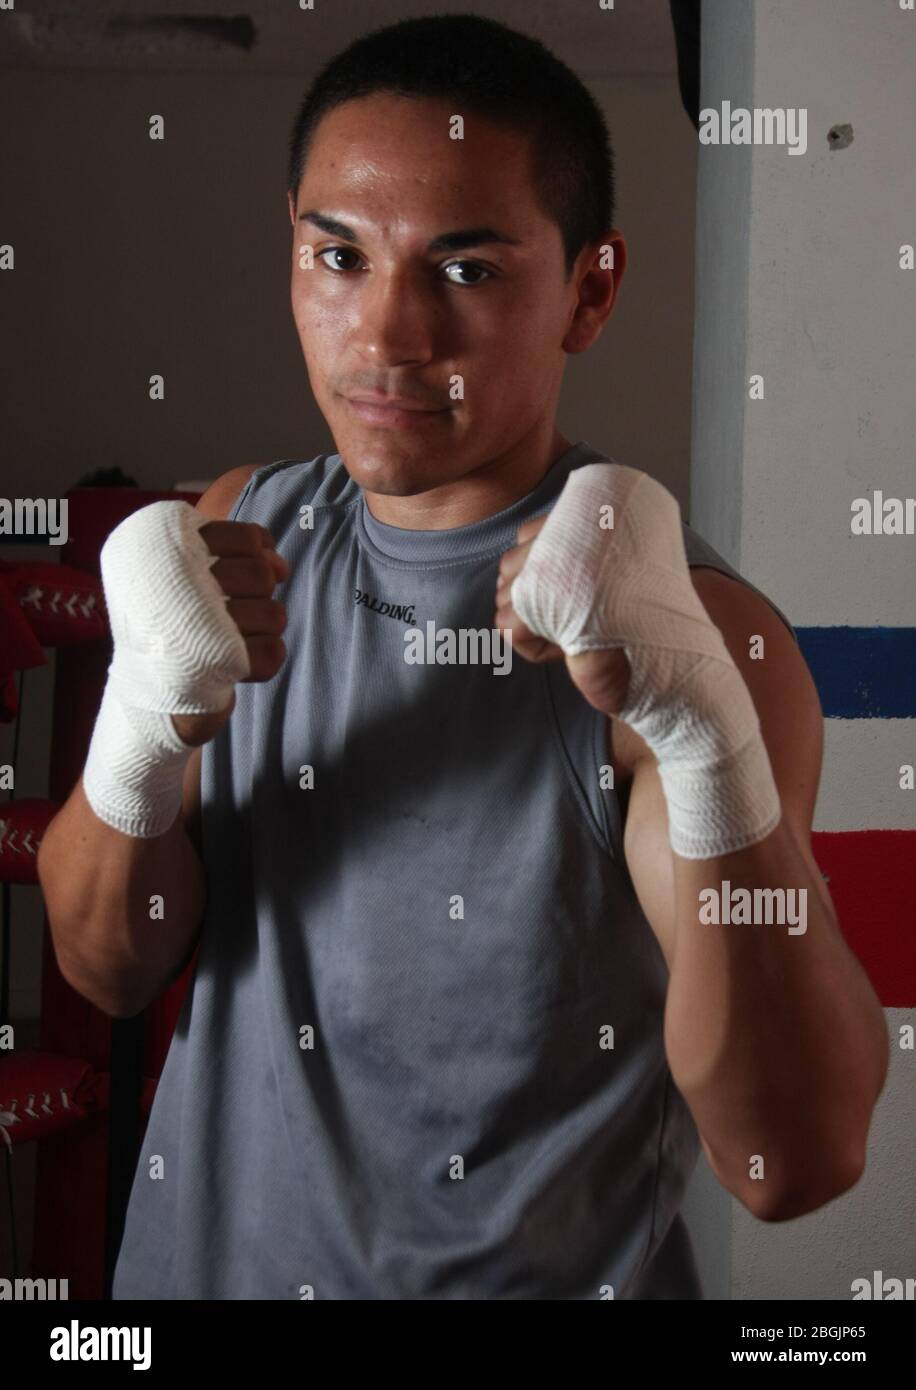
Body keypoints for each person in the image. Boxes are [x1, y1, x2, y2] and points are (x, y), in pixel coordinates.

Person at [38, 14, 888, 1300]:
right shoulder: (239, 537)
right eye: (338, 256)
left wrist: (704, 733)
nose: (387, 334)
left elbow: (790, 1161)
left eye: (468, 268)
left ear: (589, 289)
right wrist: (140, 717)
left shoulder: (694, 640)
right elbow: (110, 964)